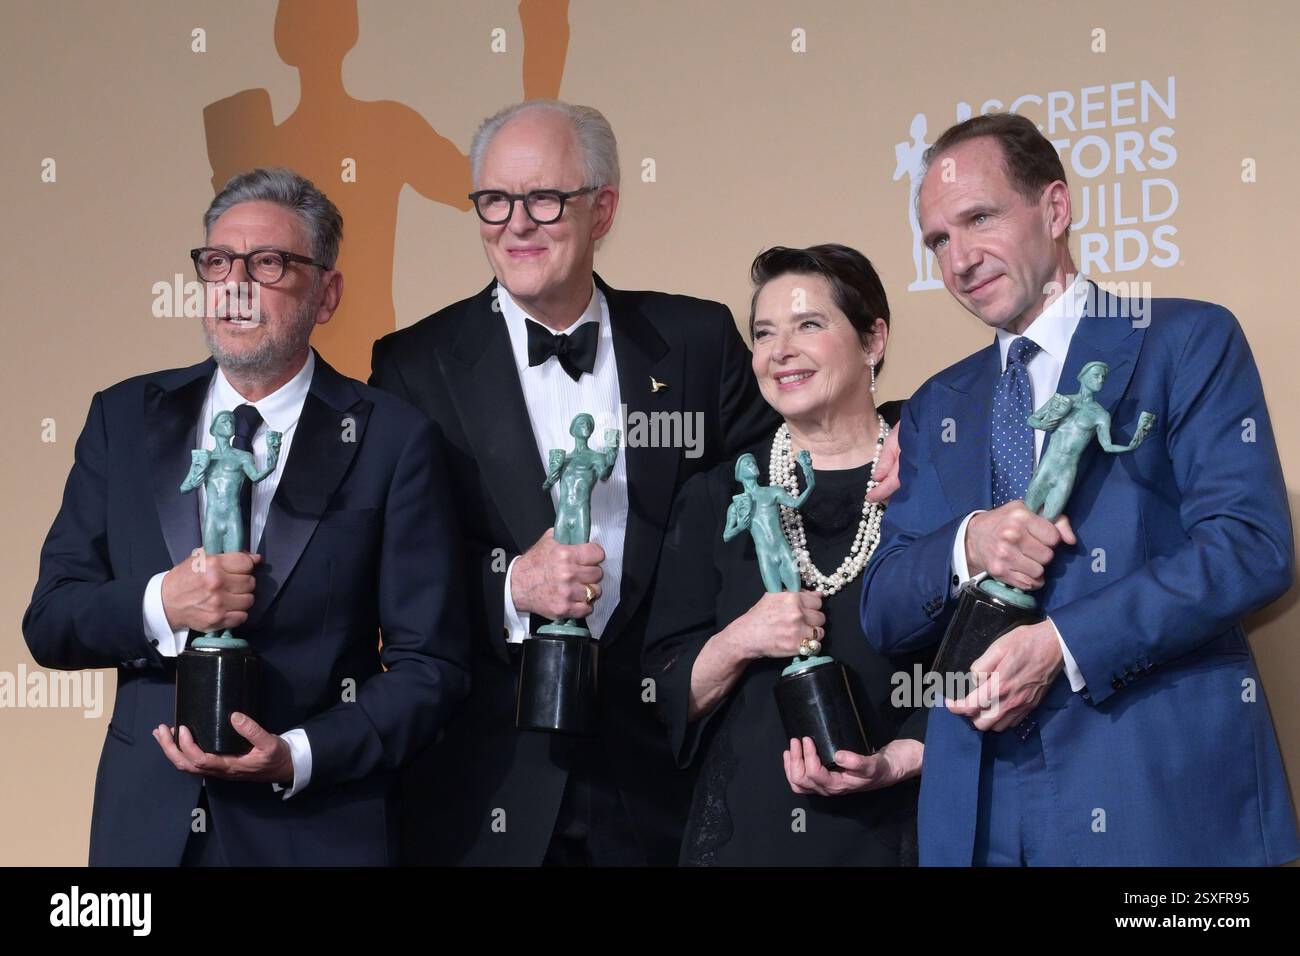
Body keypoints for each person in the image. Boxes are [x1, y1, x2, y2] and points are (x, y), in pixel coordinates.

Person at [861, 112, 1300, 866]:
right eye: (937, 240)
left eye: (979, 218)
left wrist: (1065, 644)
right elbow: (883, 609)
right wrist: (970, 541)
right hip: (976, 816)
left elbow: (1251, 547)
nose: (960, 258)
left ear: (1055, 209)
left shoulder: (1185, 341)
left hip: (1151, 798)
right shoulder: (935, 404)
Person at [23, 168, 470, 866]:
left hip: (316, 831)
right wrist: (162, 603)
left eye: (268, 264)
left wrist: (296, 755)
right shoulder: (121, 418)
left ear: (327, 294)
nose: (235, 284)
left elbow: (430, 666)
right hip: (145, 833)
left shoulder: (393, 439)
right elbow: (51, 620)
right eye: (217, 262)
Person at [370, 99, 776, 866]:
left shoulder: (695, 342)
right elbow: (392, 564)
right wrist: (508, 586)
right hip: (485, 786)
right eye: (494, 200)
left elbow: (768, 500)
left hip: (667, 781)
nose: (516, 224)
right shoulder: (413, 366)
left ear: (604, 208)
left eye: (545, 199)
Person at [643, 244, 926, 866]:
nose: (781, 350)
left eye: (809, 325)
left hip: (908, 827)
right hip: (752, 836)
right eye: (764, 333)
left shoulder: (934, 478)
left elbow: (988, 663)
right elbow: (656, 691)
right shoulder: (715, 496)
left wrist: (901, 759)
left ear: (873, 339)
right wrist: (743, 637)